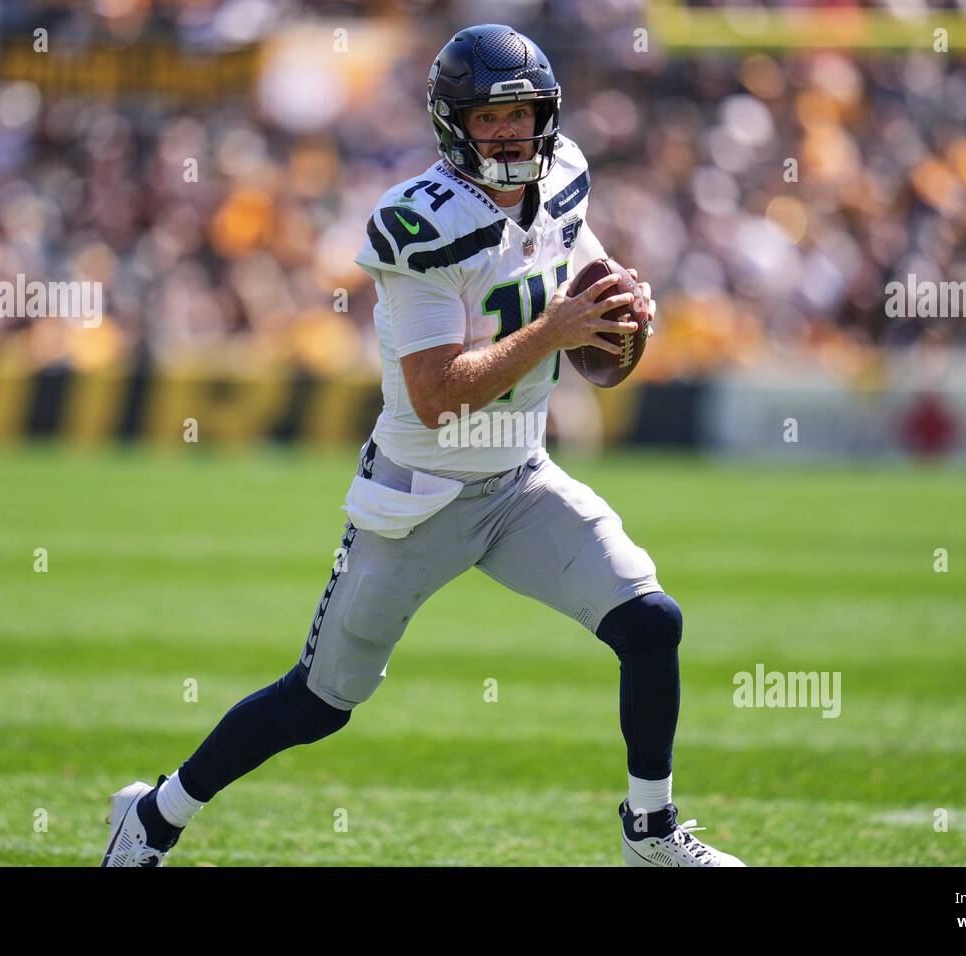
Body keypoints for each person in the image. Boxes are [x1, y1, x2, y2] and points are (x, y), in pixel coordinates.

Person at [101, 23, 743, 868]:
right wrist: (555, 329)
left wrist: (619, 304)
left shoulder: (564, 177)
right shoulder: (420, 224)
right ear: (454, 124)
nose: (512, 132)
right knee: (319, 704)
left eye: (525, 113)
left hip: (518, 479)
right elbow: (438, 397)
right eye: (490, 118)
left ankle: (650, 833)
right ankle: (156, 813)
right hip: (419, 494)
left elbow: (578, 266)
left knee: (651, 621)